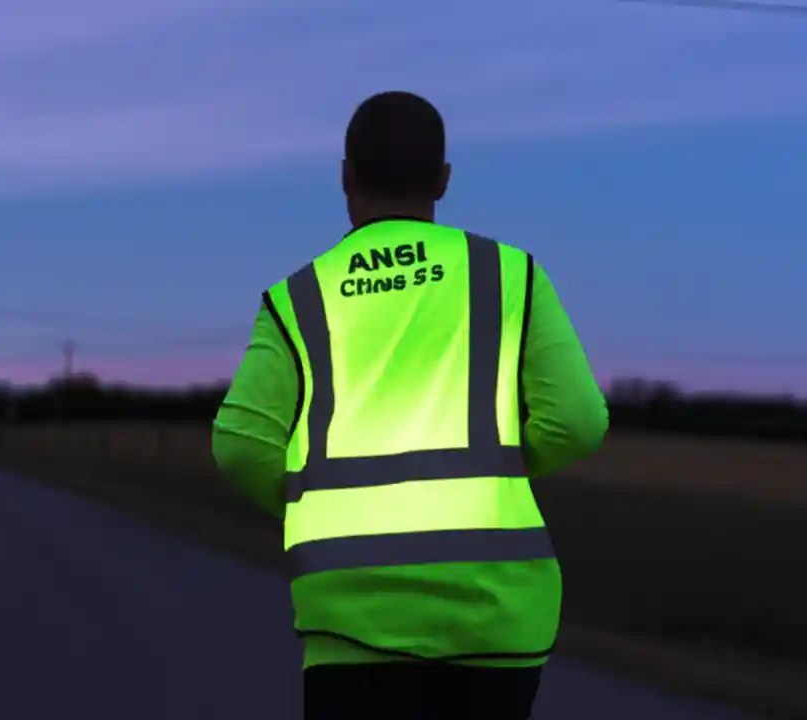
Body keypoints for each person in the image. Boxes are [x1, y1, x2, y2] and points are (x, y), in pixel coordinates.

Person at [212, 90, 609, 719]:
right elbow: (580, 422)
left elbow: (240, 444)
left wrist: (313, 501)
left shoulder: (299, 298)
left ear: (345, 176)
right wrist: (495, 468)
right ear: (444, 180)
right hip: (494, 615)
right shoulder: (509, 275)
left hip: (351, 620)